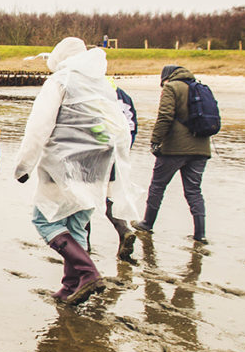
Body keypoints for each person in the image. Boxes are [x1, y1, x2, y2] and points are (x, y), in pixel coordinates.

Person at [14, 37, 137, 305]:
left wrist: (24, 165)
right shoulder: (102, 84)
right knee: (77, 221)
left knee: (44, 220)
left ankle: (88, 273)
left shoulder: (60, 82)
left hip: (63, 163)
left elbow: (39, 126)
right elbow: (121, 127)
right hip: (97, 165)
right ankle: (71, 285)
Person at [133, 65, 212, 242]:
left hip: (175, 148)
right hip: (202, 147)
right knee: (194, 190)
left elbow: (165, 116)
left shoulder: (172, 87)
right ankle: (200, 234)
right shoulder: (199, 87)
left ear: (165, 78)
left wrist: (155, 140)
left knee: (158, 186)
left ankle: (147, 222)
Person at [86, 78, 139, 261]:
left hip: (92, 153)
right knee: (106, 196)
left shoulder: (89, 89)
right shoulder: (122, 94)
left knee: (82, 199)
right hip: (116, 153)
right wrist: (122, 152)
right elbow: (132, 126)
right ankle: (123, 230)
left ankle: (84, 246)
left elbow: (88, 122)